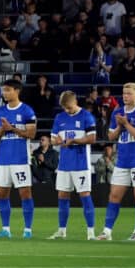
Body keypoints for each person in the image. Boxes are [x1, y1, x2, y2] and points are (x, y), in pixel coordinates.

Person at [102, 81, 135, 242]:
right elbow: (111, 136)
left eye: (129, 93)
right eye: (124, 93)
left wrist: (125, 124)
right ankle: (107, 231)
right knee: (114, 196)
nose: (125, 96)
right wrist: (119, 126)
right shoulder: (117, 112)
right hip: (122, 160)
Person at [0, 79, 37, 239]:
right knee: (1, 194)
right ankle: (5, 229)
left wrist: (13, 128)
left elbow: (31, 134)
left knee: (25, 194)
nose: (4, 93)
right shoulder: (0, 111)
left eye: (8, 90)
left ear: (17, 91)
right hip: (3, 159)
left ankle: (28, 230)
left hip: (20, 159)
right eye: (3, 90)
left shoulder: (27, 111)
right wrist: (3, 130)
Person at [48, 90, 97, 240]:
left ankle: (91, 233)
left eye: (69, 107)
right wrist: (57, 141)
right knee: (62, 195)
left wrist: (75, 141)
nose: (67, 110)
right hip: (64, 164)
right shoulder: (59, 117)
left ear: (75, 102)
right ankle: (62, 231)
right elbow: (53, 139)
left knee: (85, 195)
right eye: (64, 108)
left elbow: (92, 138)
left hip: (81, 163)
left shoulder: (86, 116)